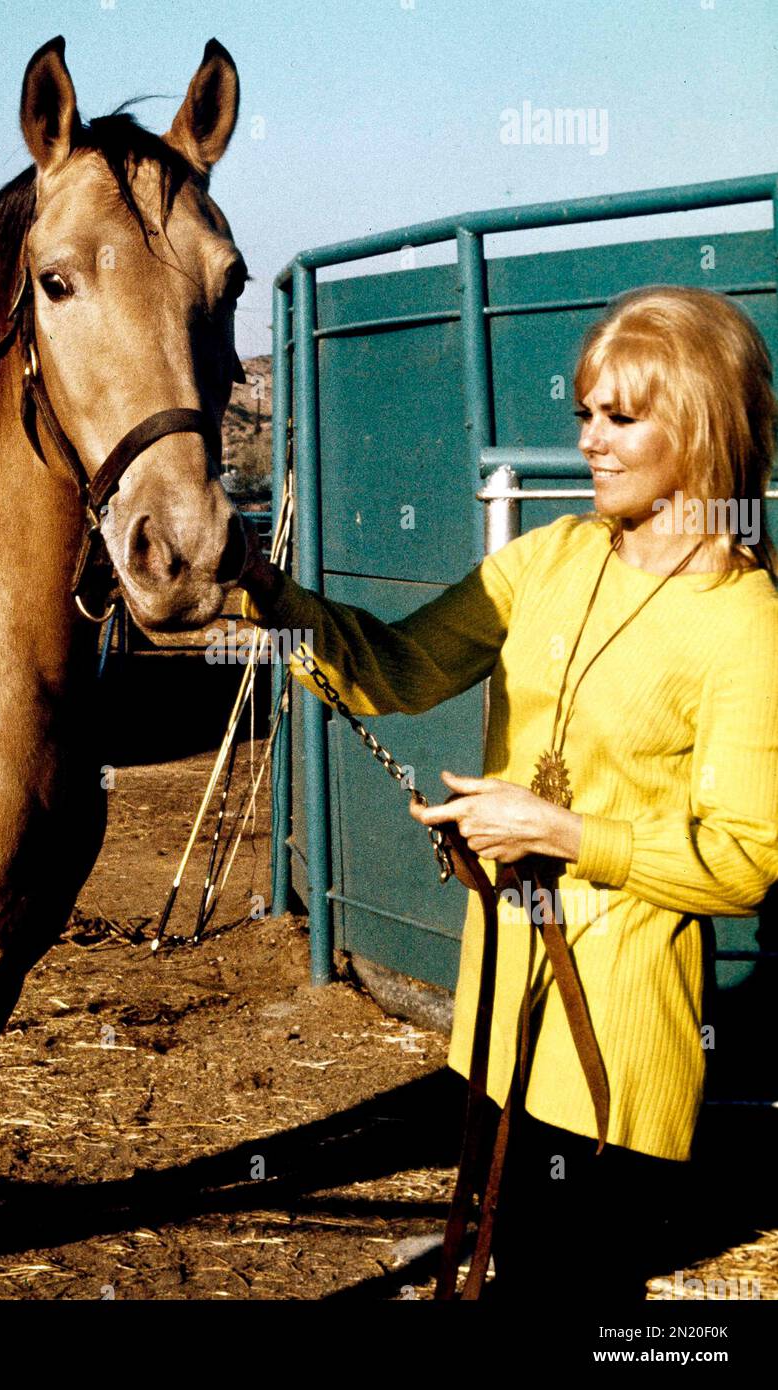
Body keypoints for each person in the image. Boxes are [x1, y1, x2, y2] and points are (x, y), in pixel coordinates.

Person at [235, 285, 778, 1299]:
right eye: (585, 414)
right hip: (499, 1026)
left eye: (621, 417)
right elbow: (395, 667)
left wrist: (559, 829)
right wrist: (268, 598)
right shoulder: (552, 558)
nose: (591, 443)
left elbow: (748, 857)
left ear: (701, 423)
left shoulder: (744, 619)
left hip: (616, 1051)